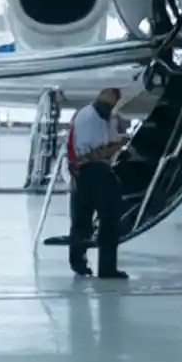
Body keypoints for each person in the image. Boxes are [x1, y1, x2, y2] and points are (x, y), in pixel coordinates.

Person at [66, 87, 130, 279]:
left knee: (81, 220)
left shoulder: (95, 115)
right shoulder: (92, 117)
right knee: (109, 220)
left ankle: (78, 262)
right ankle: (106, 268)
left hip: (80, 173)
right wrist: (118, 144)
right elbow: (97, 153)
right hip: (96, 171)